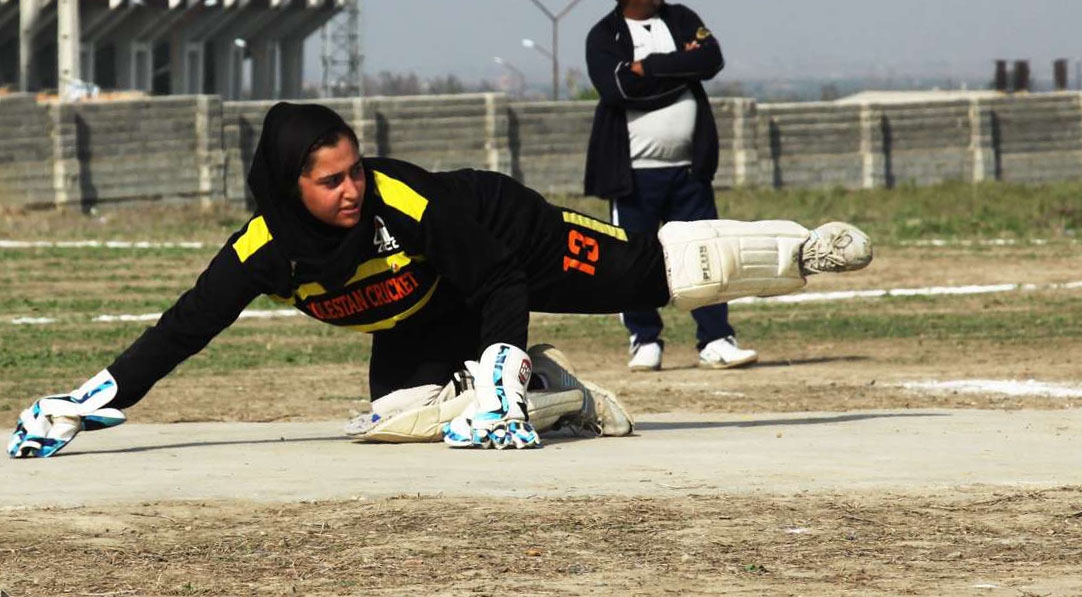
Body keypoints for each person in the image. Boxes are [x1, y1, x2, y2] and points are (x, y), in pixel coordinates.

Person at [7, 102, 872, 458]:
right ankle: (561, 396)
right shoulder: (264, 249)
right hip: (423, 311)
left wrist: (501, 355)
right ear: (286, 187)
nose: (352, 189)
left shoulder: (401, 200)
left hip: (505, 237)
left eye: (354, 169)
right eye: (330, 179)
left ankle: (801, 251)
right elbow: (183, 328)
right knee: (393, 423)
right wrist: (86, 402)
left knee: (654, 271)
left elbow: (498, 277)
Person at [585, 0, 755, 372]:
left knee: (706, 254)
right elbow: (617, 89)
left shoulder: (682, 19)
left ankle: (716, 339)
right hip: (633, 176)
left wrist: (651, 67)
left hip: (689, 173)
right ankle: (644, 340)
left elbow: (710, 60)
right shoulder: (603, 36)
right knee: (634, 258)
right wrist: (683, 71)